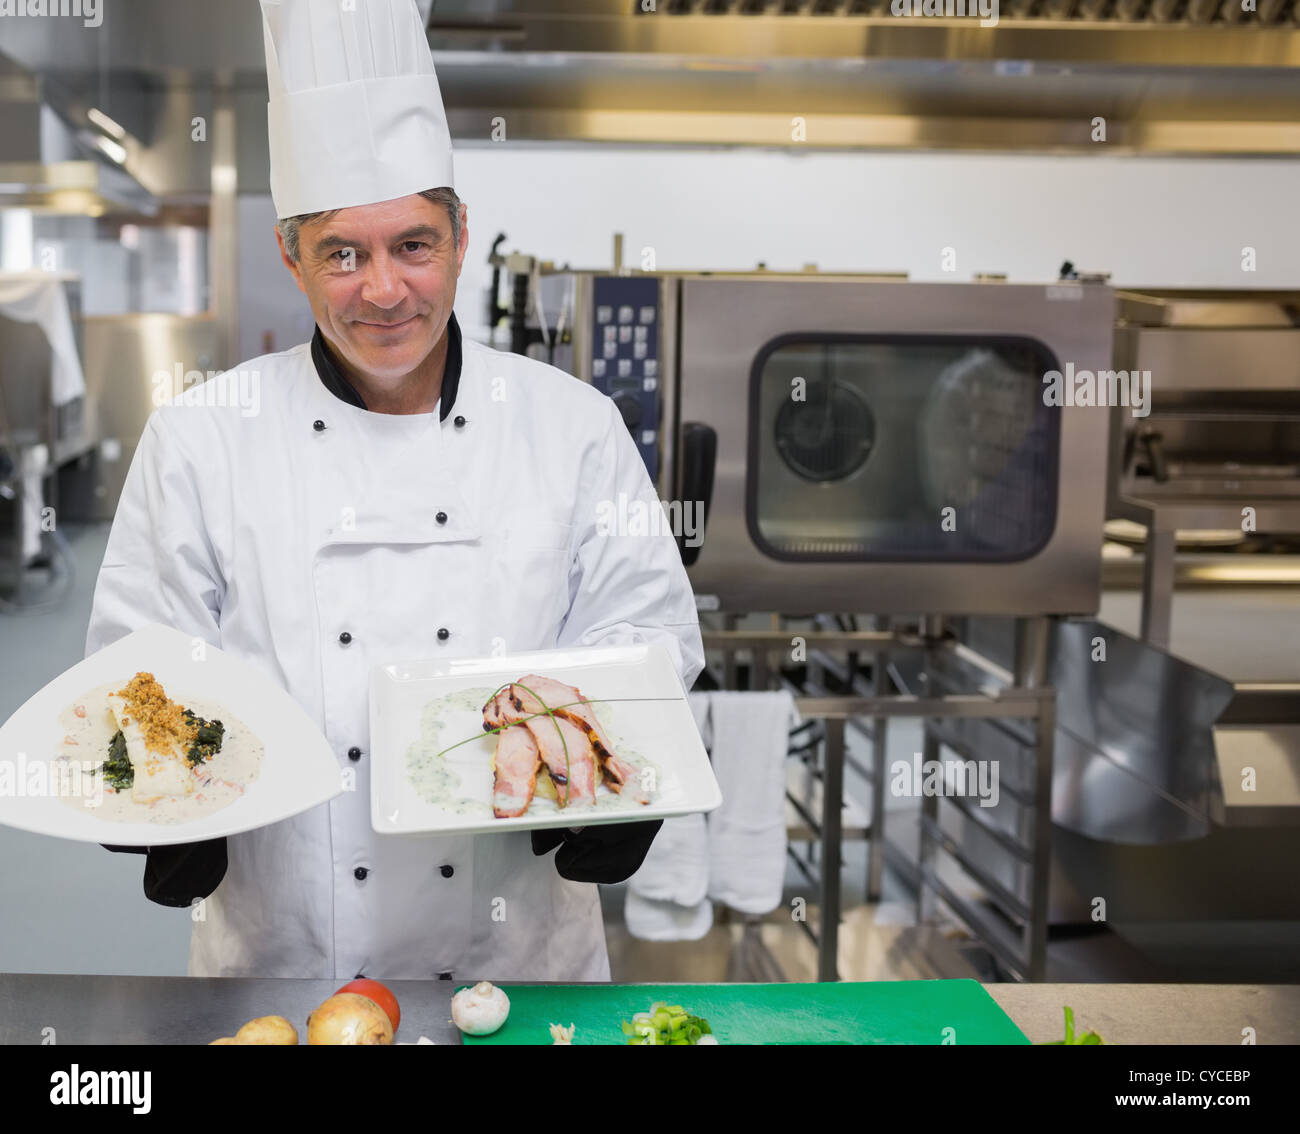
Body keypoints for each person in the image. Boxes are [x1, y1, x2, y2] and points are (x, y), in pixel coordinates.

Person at [88, 0, 703, 982]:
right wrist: (160, 792)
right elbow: (142, 665)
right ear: (293, 256)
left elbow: (644, 635)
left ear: (460, 237)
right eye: (344, 253)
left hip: (520, 968)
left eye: (412, 245)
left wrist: (628, 783)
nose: (383, 291)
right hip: (286, 962)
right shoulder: (203, 438)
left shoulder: (572, 426)